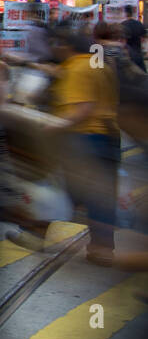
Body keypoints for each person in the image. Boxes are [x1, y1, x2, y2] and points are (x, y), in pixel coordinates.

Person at [48, 26, 120, 265]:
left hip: (84, 138)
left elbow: (83, 109)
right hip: (109, 136)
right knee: (102, 195)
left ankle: (43, 230)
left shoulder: (77, 69)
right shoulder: (98, 64)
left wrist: (49, 127)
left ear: (65, 46)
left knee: (69, 192)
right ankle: (102, 248)